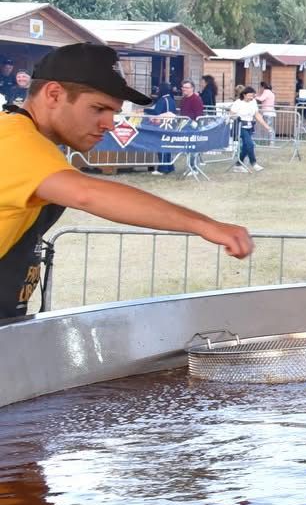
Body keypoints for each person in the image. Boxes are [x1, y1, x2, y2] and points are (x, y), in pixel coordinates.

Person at [0, 44, 251, 320]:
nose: (109, 123)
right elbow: (87, 193)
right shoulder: (12, 138)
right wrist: (205, 225)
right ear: (54, 94)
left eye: (115, 112)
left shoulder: (32, 143)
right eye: (98, 109)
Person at [228, 85, 269, 173]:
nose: (251, 97)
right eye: (250, 95)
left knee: (246, 147)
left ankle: (238, 165)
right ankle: (253, 163)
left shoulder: (253, 102)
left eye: (253, 95)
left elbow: (257, 115)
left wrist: (266, 125)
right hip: (240, 126)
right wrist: (236, 117)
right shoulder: (238, 103)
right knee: (250, 144)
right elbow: (231, 115)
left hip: (250, 126)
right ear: (244, 95)